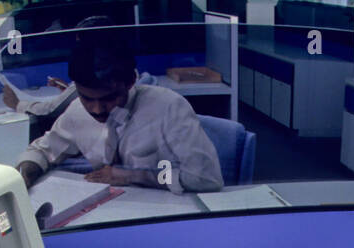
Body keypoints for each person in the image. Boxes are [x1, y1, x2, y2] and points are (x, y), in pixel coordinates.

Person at [14, 26, 223, 193]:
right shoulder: (77, 110)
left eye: (109, 98)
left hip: (164, 213)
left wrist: (134, 175)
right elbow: (41, 150)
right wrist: (25, 173)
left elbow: (205, 178)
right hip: (108, 211)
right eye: (87, 97)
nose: (96, 109)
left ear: (131, 81)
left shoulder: (169, 107)